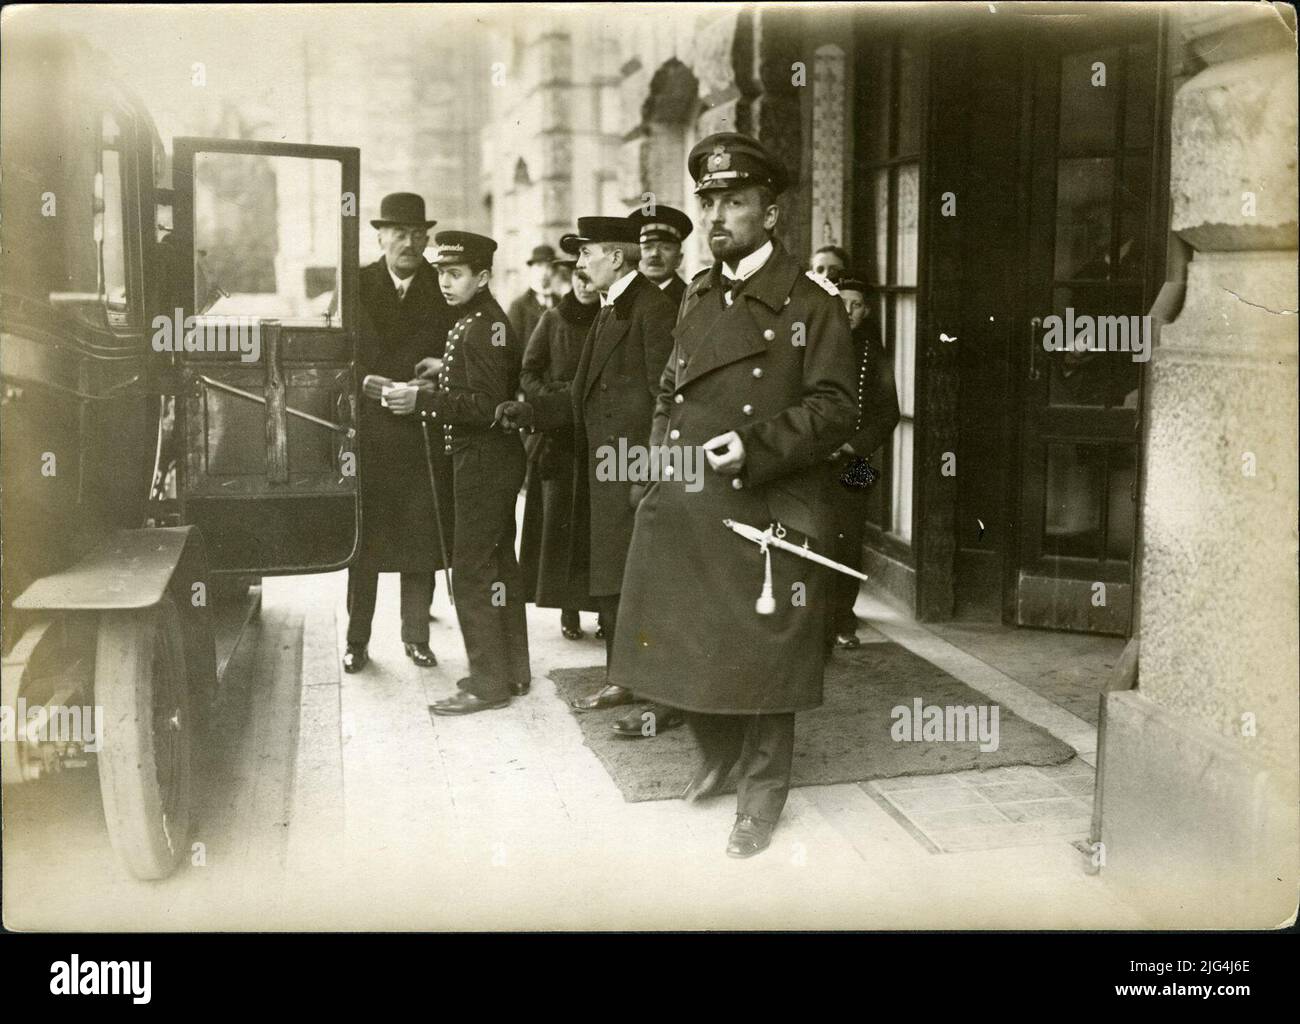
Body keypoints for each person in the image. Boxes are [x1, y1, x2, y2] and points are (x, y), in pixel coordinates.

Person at [608, 133, 858, 857]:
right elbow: (669, 387)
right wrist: (658, 462)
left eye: (735, 202)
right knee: (685, 641)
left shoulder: (812, 304)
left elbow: (838, 408)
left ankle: (762, 794)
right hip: (690, 496)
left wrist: (756, 445)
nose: (718, 216)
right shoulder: (700, 293)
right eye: (709, 201)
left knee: (764, 654)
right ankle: (716, 755)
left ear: (771, 214)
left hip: (765, 504)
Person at [496, 216, 682, 737]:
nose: (579, 264)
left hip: (633, 475)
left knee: (644, 584)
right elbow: (579, 395)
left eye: (588, 254)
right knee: (615, 582)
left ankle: (659, 697)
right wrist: (528, 413)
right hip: (606, 474)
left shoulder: (652, 310)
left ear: (615, 259)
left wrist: (648, 472)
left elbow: (669, 403)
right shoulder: (610, 308)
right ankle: (625, 678)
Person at [389, 230, 531, 715]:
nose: (445, 283)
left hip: (483, 463)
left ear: (483, 276)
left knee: (471, 571)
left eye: (455, 274)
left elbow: (489, 405)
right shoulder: (477, 319)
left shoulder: (478, 324)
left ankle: (487, 683)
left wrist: (422, 400)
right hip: (494, 462)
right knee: (498, 565)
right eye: (442, 274)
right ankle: (511, 670)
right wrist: (443, 369)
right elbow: (482, 379)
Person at [346, 192, 456, 674]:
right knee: (364, 542)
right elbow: (335, 351)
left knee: (420, 539)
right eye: (399, 233)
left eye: (417, 234)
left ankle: (416, 637)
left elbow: (458, 353)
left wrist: (429, 383)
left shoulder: (442, 286)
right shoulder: (356, 284)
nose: (409, 243)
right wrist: (362, 381)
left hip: (421, 433)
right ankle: (356, 640)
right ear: (381, 236)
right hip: (369, 433)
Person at [518, 256, 601, 640]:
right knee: (563, 525)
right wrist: (555, 400)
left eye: (589, 278)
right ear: (570, 280)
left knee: (598, 527)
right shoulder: (553, 319)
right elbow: (528, 371)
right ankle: (568, 609)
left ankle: (603, 609)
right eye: (578, 279)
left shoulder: (610, 317)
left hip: (600, 438)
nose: (584, 285)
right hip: (560, 441)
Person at [825, 277, 900, 650]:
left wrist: (853, 447)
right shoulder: (814, 345)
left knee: (849, 538)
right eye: (842, 303)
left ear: (865, 311)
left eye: (856, 305)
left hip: (857, 461)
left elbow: (889, 414)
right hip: (815, 461)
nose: (848, 311)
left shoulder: (873, 352)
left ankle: (843, 619)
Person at [629, 204, 693, 310]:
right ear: (635, 256)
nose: (655, 254)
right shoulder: (624, 299)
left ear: (679, 259)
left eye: (666, 248)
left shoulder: (691, 300)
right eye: (647, 247)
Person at [507, 244, 557, 344]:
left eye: (548, 266)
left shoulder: (561, 302)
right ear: (532, 269)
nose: (544, 272)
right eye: (539, 266)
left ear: (554, 271)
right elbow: (511, 346)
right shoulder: (519, 306)